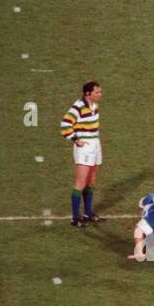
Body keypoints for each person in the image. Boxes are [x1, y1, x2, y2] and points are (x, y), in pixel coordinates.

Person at [60, 81, 104, 227]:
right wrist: (75, 140)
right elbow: (65, 124)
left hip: (95, 145)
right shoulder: (78, 107)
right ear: (88, 93)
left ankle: (87, 213)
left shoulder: (94, 105)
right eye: (97, 92)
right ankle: (74, 218)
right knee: (80, 182)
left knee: (91, 180)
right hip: (84, 147)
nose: (100, 94)